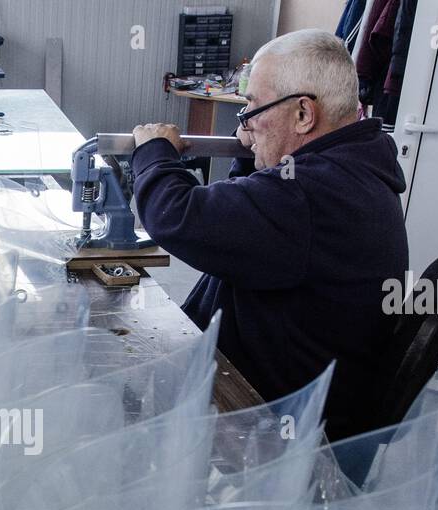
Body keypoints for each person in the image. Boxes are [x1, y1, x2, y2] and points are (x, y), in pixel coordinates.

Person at [130, 28, 408, 441]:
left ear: (303, 114)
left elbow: (176, 215)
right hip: (296, 386)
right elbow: (252, 218)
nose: (245, 124)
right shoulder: (353, 166)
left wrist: (153, 153)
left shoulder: (312, 196)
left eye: (253, 109)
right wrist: (258, 153)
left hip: (274, 424)